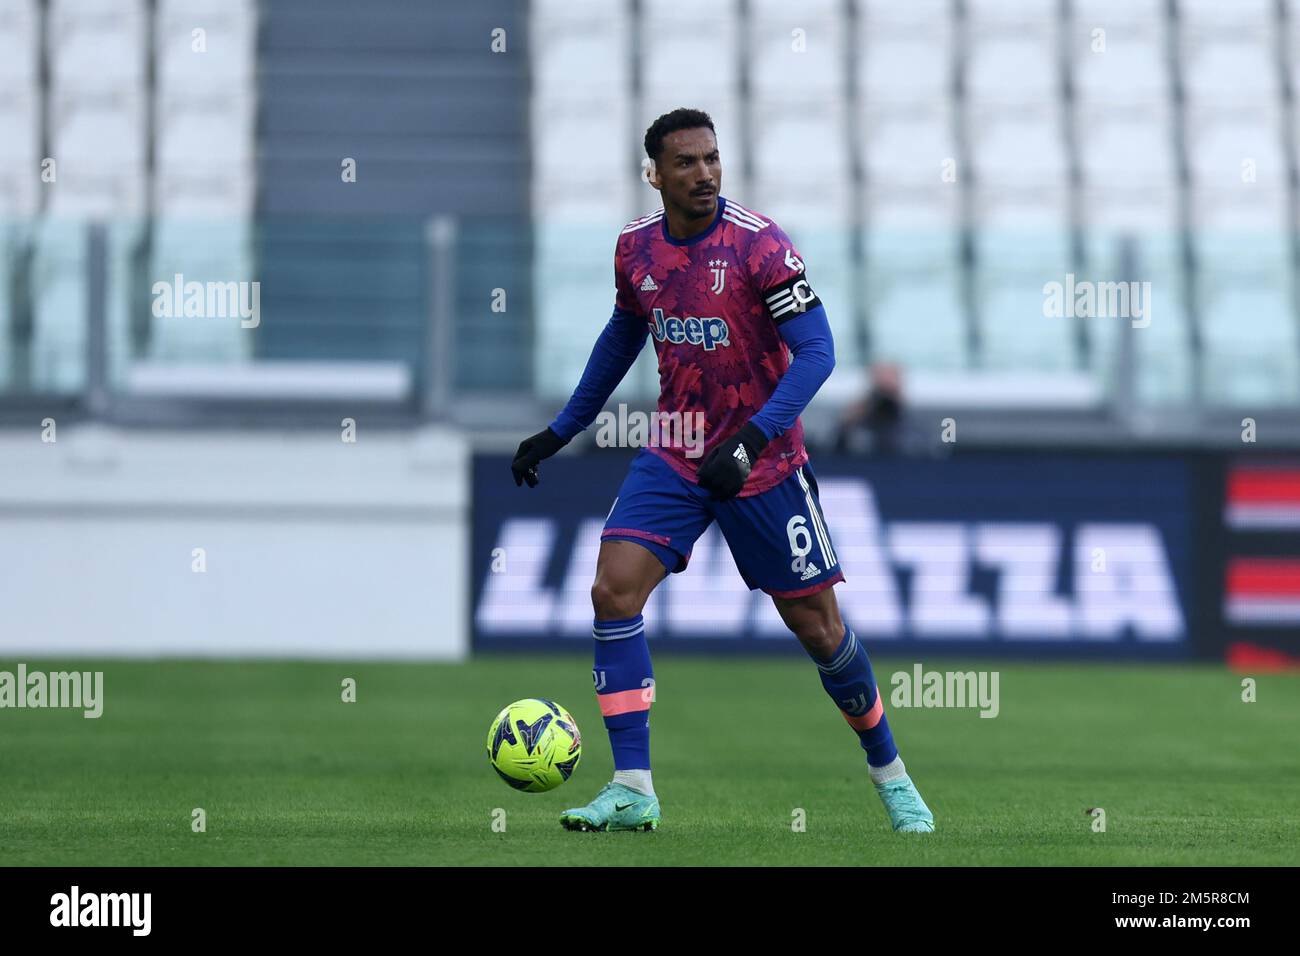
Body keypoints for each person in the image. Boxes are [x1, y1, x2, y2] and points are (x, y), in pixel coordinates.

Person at [511, 108, 933, 834]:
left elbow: (819, 353)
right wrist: (561, 430)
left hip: (763, 464)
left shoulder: (759, 244)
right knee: (612, 591)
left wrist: (752, 439)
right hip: (675, 449)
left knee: (819, 630)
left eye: (711, 158)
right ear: (655, 174)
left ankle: (890, 775)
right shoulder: (636, 249)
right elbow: (621, 337)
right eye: (686, 162)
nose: (704, 173)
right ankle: (633, 787)